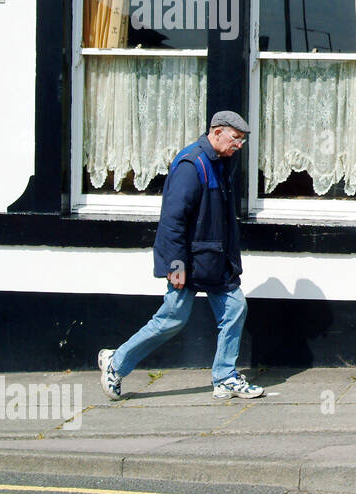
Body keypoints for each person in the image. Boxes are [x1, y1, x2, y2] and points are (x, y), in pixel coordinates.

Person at [98, 111, 264, 401]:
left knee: (235, 308)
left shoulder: (223, 161)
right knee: (171, 319)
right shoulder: (192, 164)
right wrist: (176, 264)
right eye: (235, 138)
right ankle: (116, 362)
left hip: (214, 260)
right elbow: (173, 220)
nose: (238, 145)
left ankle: (225, 377)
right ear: (216, 133)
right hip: (188, 261)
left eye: (242, 141)